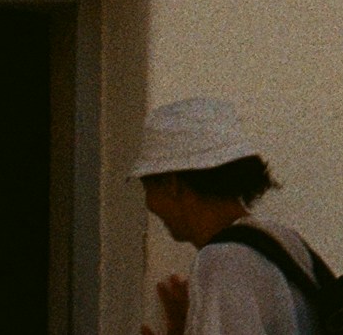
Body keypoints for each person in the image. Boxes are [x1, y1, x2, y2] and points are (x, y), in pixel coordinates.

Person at [132, 96, 324, 335]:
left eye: (147, 187)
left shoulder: (222, 262)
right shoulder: (284, 240)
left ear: (172, 184)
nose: (150, 204)